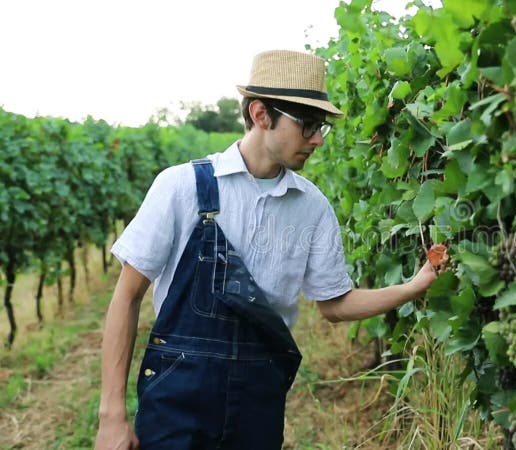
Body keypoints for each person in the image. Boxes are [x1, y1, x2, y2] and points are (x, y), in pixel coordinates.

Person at [95, 50, 440, 450]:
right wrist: (112, 416)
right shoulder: (181, 187)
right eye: (308, 125)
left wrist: (414, 287)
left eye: (322, 128)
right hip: (177, 398)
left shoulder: (312, 207)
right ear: (261, 114)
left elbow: (335, 304)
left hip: (257, 403)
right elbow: (127, 294)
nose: (317, 140)